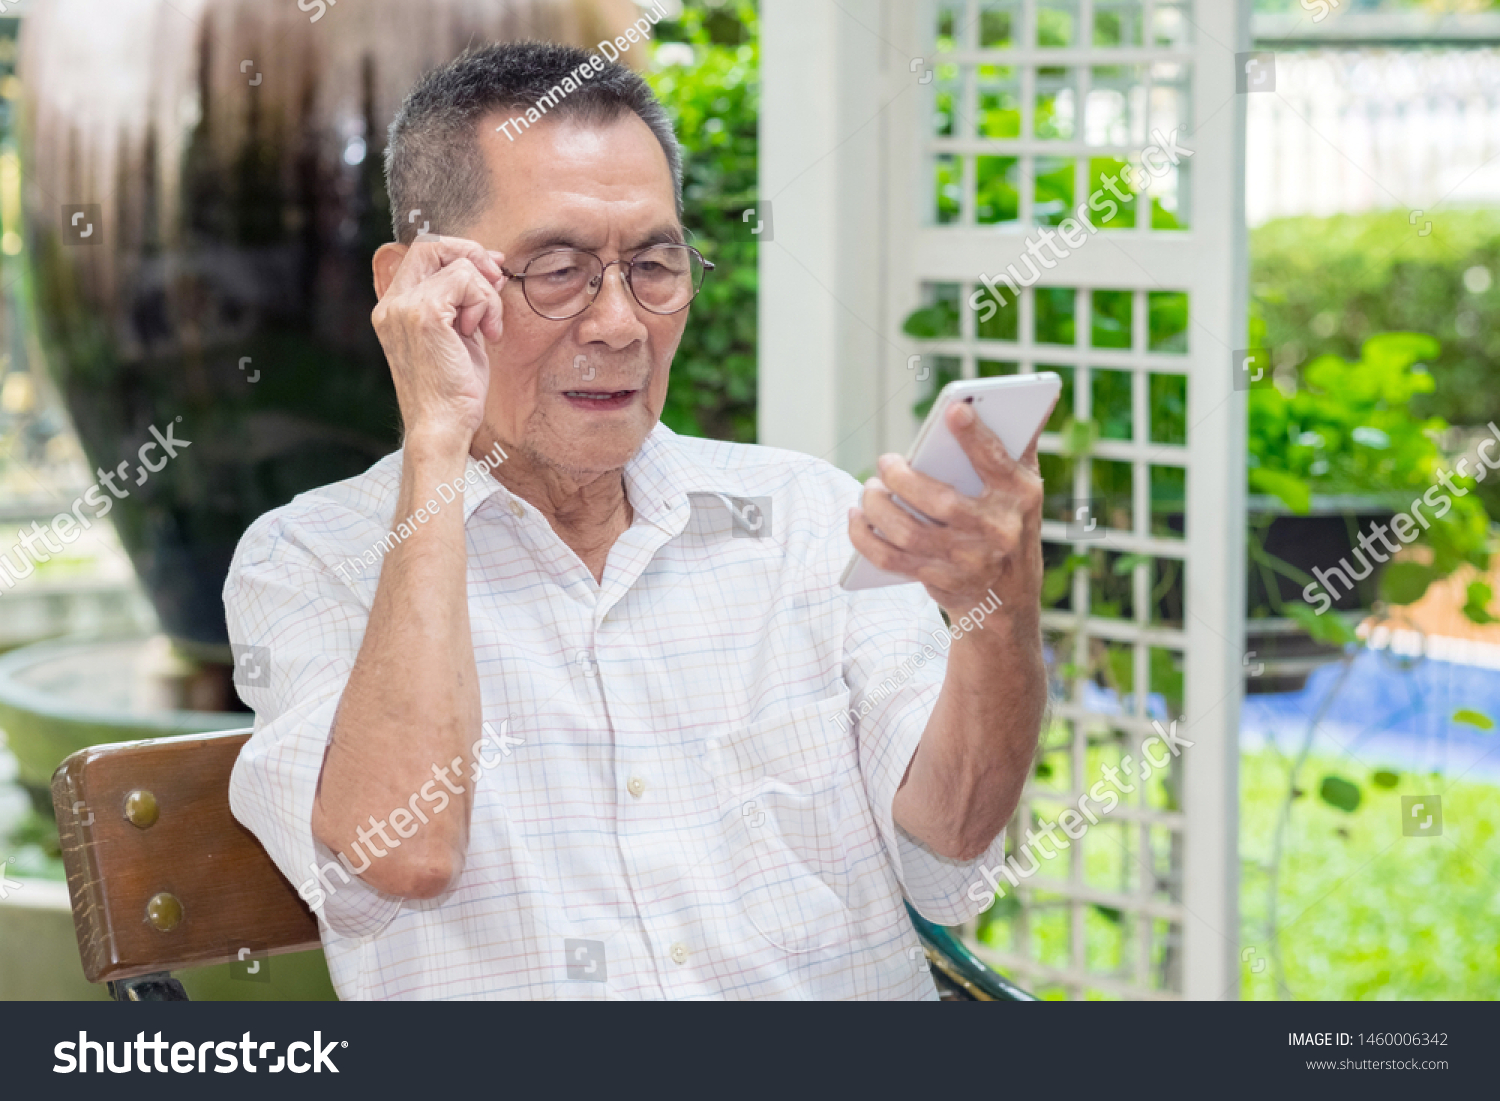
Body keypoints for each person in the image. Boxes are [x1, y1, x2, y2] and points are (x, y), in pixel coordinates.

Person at [226, 41, 1049, 1000]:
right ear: (414, 286)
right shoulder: (309, 558)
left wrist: (1001, 611)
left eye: (654, 265)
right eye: (557, 269)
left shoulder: (806, 518)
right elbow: (407, 852)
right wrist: (436, 438)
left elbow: (954, 832)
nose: (620, 324)